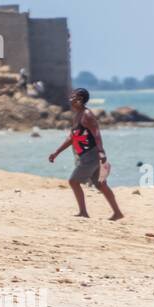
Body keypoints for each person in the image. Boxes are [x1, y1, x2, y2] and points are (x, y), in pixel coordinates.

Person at [48, 88, 124, 221]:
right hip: (86, 155)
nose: (70, 98)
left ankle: (83, 212)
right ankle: (117, 213)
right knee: (101, 184)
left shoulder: (87, 115)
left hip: (92, 155)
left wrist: (101, 152)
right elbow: (72, 138)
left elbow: (96, 134)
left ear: (80, 99)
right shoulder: (77, 115)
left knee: (73, 181)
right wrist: (57, 152)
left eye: (73, 96)